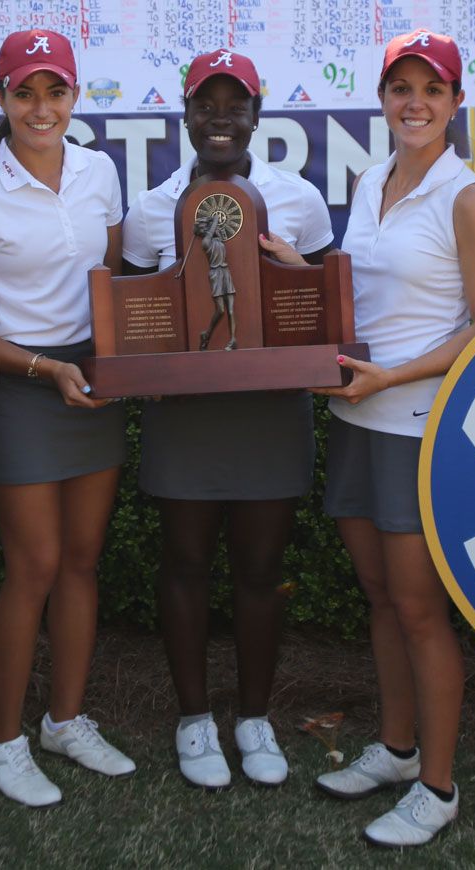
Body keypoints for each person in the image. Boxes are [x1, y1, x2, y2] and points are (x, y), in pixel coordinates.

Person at [265, 30, 475, 845]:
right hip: (355, 419)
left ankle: (438, 788)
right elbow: (363, 298)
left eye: (432, 90)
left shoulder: (467, 198)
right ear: (382, 98)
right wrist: (297, 269)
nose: (415, 103)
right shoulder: (371, 180)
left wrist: (393, 378)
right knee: (381, 599)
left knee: (419, 612)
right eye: (402, 88)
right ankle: (399, 751)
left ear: (456, 103)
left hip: (417, 427)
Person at [122, 48, 334, 790]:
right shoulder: (152, 207)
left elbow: (324, 310)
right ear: (185, 115)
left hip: (269, 413)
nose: (220, 119)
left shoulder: (298, 199)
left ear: (256, 114)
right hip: (187, 418)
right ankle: (193, 718)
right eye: (205, 105)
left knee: (261, 571)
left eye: (234, 105)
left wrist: (296, 273)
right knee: (183, 564)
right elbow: (132, 318)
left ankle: (253, 717)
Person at [0, 28, 134, 809]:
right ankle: (0, 743)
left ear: (74, 97)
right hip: (22, 384)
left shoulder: (100, 171)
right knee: (36, 567)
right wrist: (45, 369)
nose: (41, 108)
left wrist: (111, 363)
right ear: (1, 100)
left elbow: (111, 278)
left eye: (55, 92)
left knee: (82, 561)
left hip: (89, 381)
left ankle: (64, 721)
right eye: (24, 93)